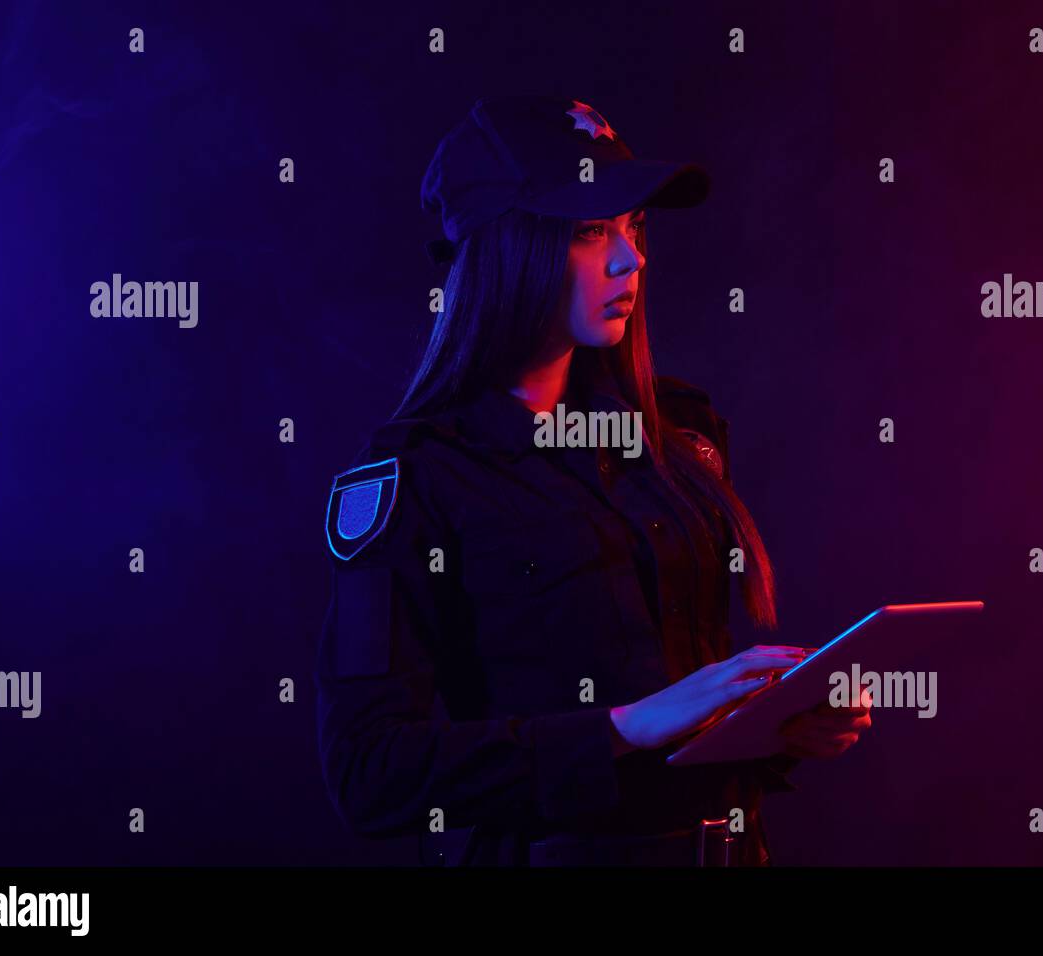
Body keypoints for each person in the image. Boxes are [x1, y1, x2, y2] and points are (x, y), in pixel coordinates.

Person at [314, 95, 871, 866]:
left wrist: (771, 727)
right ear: (504, 251)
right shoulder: (414, 480)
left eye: (634, 226)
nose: (629, 260)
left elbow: (682, 711)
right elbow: (370, 774)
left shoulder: (679, 436)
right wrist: (617, 727)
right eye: (589, 230)